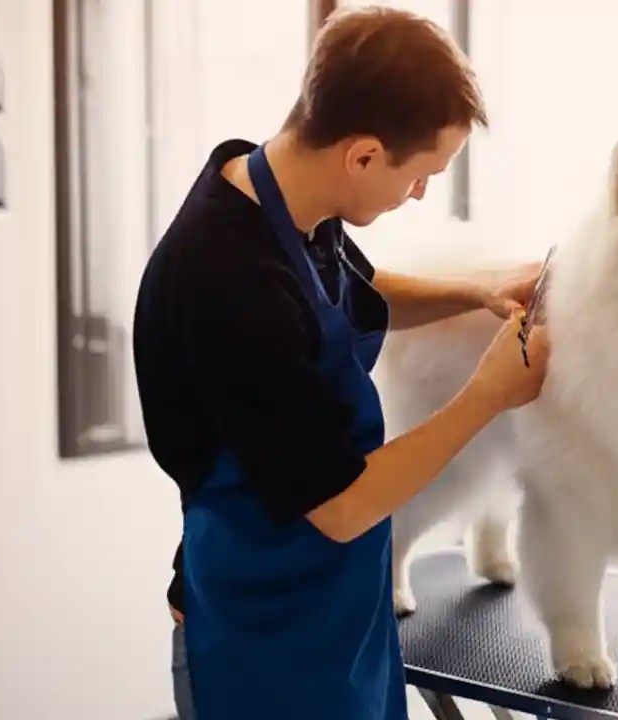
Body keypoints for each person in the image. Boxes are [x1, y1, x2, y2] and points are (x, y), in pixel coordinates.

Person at [132, 7, 551, 719]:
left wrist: (471, 290)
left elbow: (348, 293)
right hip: (265, 634)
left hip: (340, 611)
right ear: (362, 155)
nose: (417, 194)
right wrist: (488, 394)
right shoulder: (229, 279)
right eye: (420, 175)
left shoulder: (284, 198)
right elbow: (342, 505)